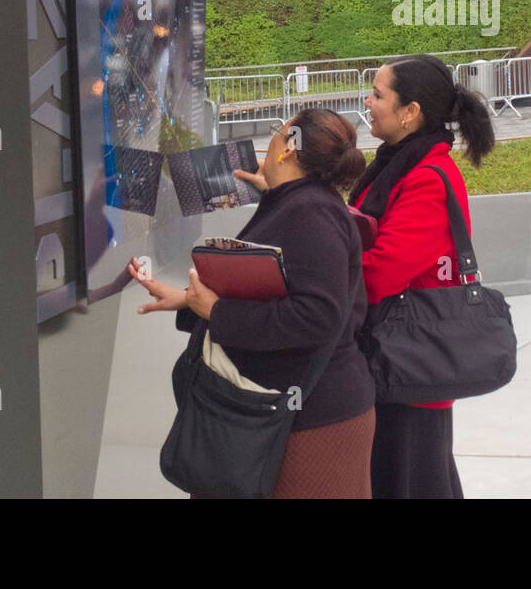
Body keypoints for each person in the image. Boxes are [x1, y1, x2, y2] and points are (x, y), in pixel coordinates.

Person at [129, 107, 375, 499]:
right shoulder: (299, 202)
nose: (272, 139)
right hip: (289, 412)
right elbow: (273, 289)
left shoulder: (310, 212)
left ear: (289, 148)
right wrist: (189, 301)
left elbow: (317, 317)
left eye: (279, 132)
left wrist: (216, 312)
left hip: (310, 419)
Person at [352, 54, 495, 499]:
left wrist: (315, 273)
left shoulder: (427, 178)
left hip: (409, 369)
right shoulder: (400, 164)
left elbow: (381, 272)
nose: (368, 101)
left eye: (378, 94)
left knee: (409, 480)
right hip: (395, 362)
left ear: (410, 112)